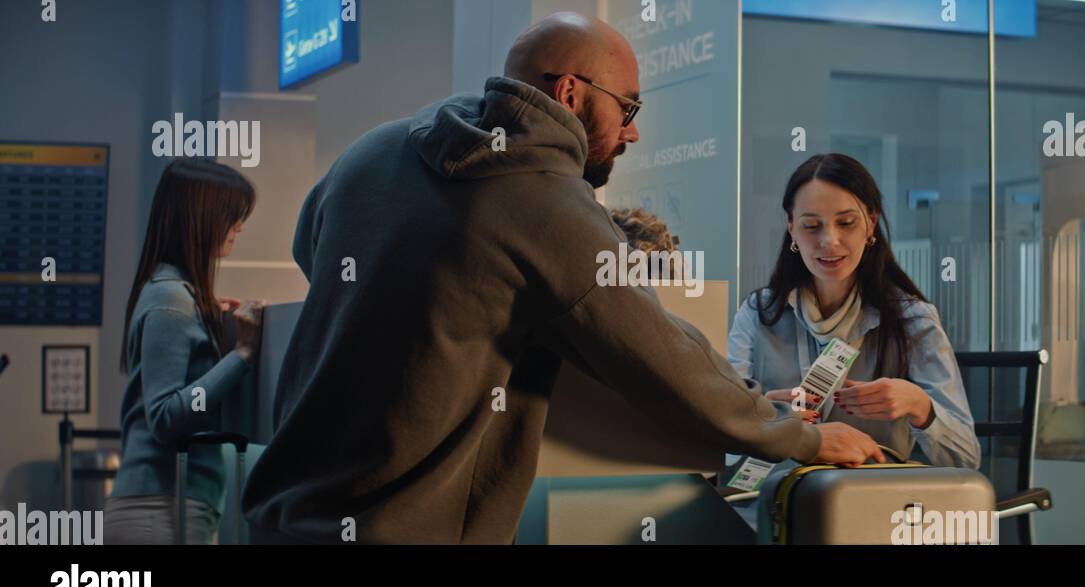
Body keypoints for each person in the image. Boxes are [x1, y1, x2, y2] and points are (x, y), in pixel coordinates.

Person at [242, 12, 883, 544]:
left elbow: (312, 249)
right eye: (627, 107)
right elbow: (660, 355)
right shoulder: (545, 201)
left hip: (280, 515)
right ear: (570, 93)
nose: (633, 130)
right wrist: (804, 437)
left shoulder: (372, 151)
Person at [728, 153, 980, 469]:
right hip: (776, 505)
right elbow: (723, 446)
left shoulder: (913, 321)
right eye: (811, 226)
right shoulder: (757, 313)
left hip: (871, 506)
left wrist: (919, 406)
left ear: (870, 224)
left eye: (846, 223)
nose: (829, 241)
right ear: (791, 229)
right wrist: (764, 419)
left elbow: (966, 459)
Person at [105, 158, 265, 545]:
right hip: (158, 511)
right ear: (202, 218)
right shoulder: (170, 299)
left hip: (168, 508)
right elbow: (164, 418)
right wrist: (240, 356)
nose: (239, 227)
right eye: (232, 216)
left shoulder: (175, 296)